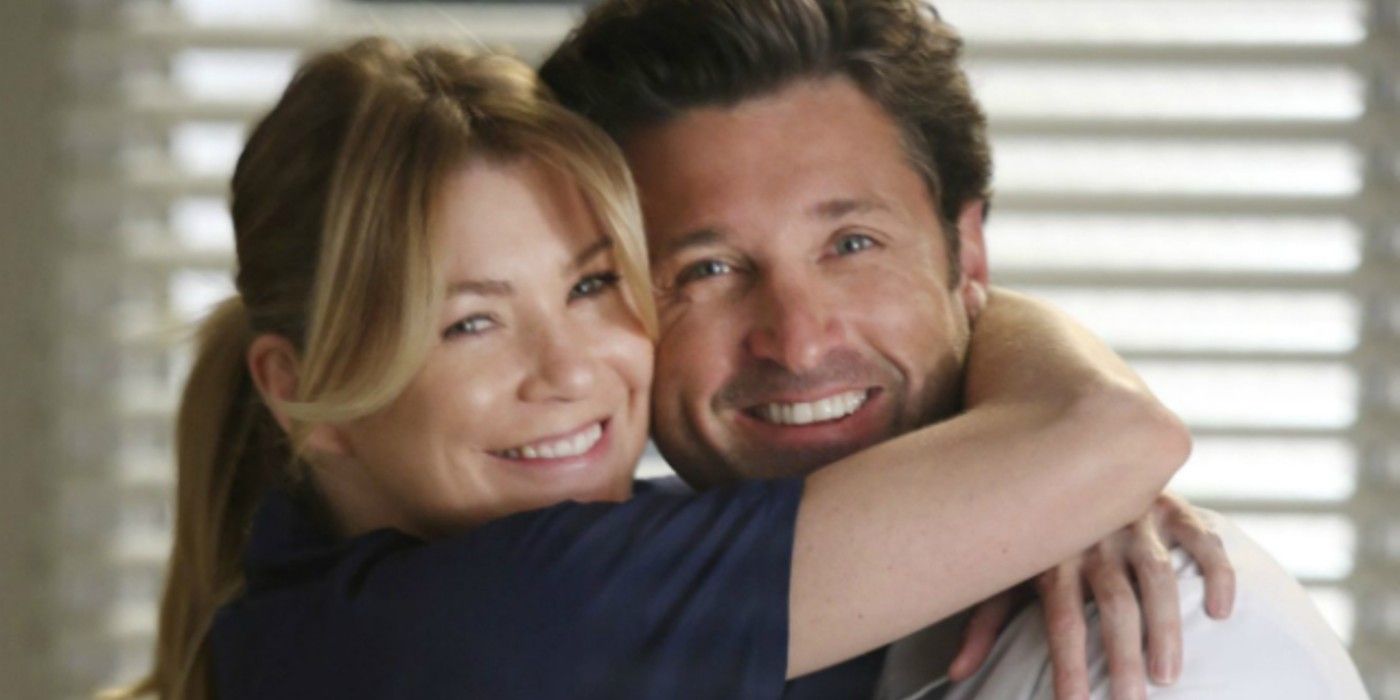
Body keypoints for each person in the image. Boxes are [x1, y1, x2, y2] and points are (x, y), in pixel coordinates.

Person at [106, 38, 1187, 699]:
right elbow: (1110, 437)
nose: (568, 372)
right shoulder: (500, 618)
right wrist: (1045, 474)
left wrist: (1031, 491)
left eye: (590, 285)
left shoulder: (331, 596)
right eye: (469, 324)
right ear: (300, 392)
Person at [539, 0, 1369, 698]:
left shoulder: (1158, 641)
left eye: (853, 245)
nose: (797, 342)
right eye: (707, 269)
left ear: (966, 253)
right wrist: (1064, 456)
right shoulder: (576, 584)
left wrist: (1069, 465)